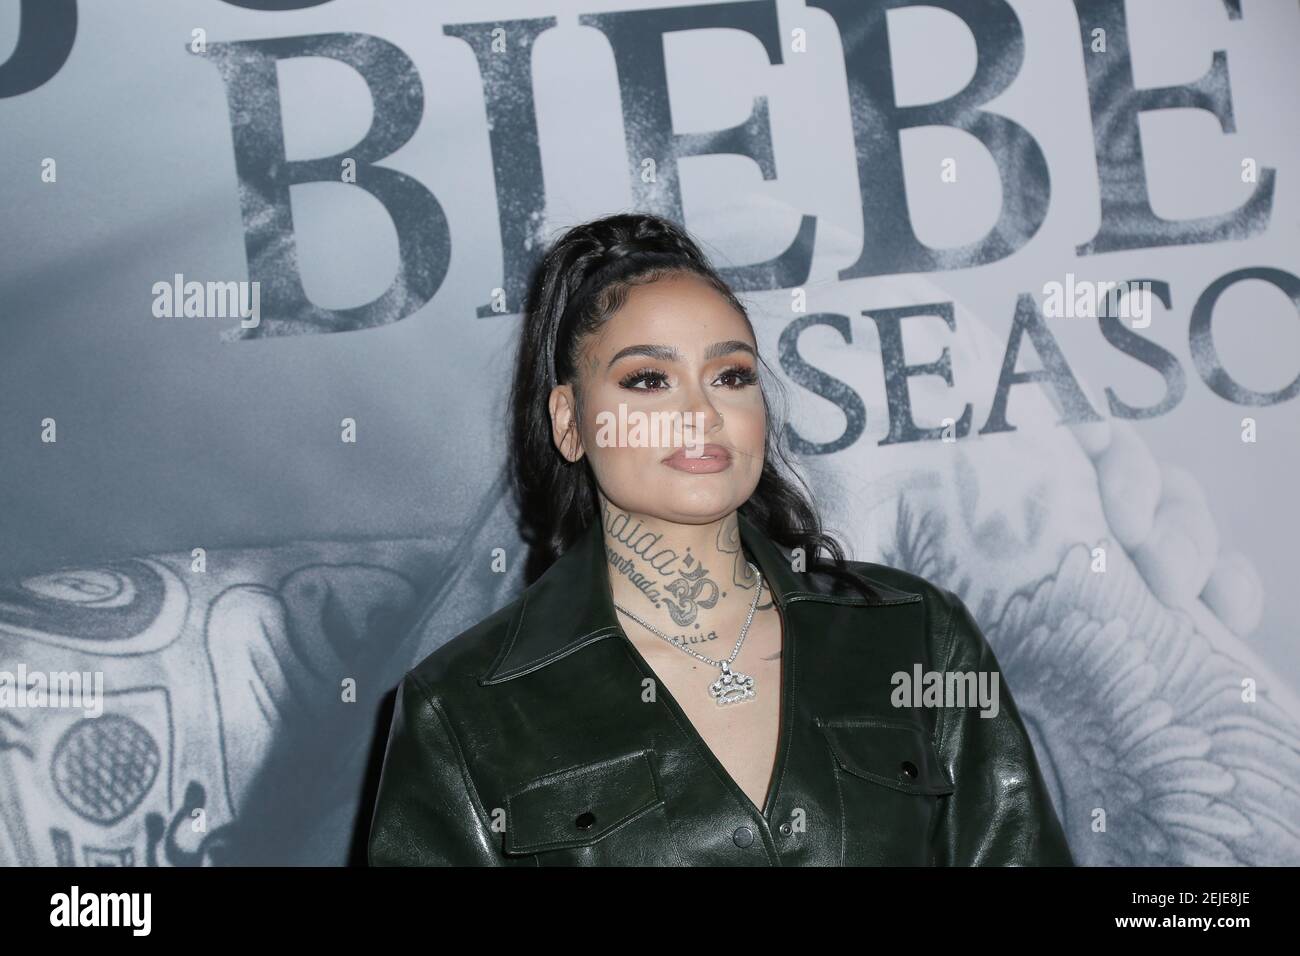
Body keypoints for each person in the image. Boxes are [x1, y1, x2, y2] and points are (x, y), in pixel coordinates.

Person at [367, 212, 1074, 866]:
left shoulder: (919, 636)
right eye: (648, 379)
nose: (701, 413)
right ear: (569, 421)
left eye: (730, 375)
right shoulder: (465, 707)